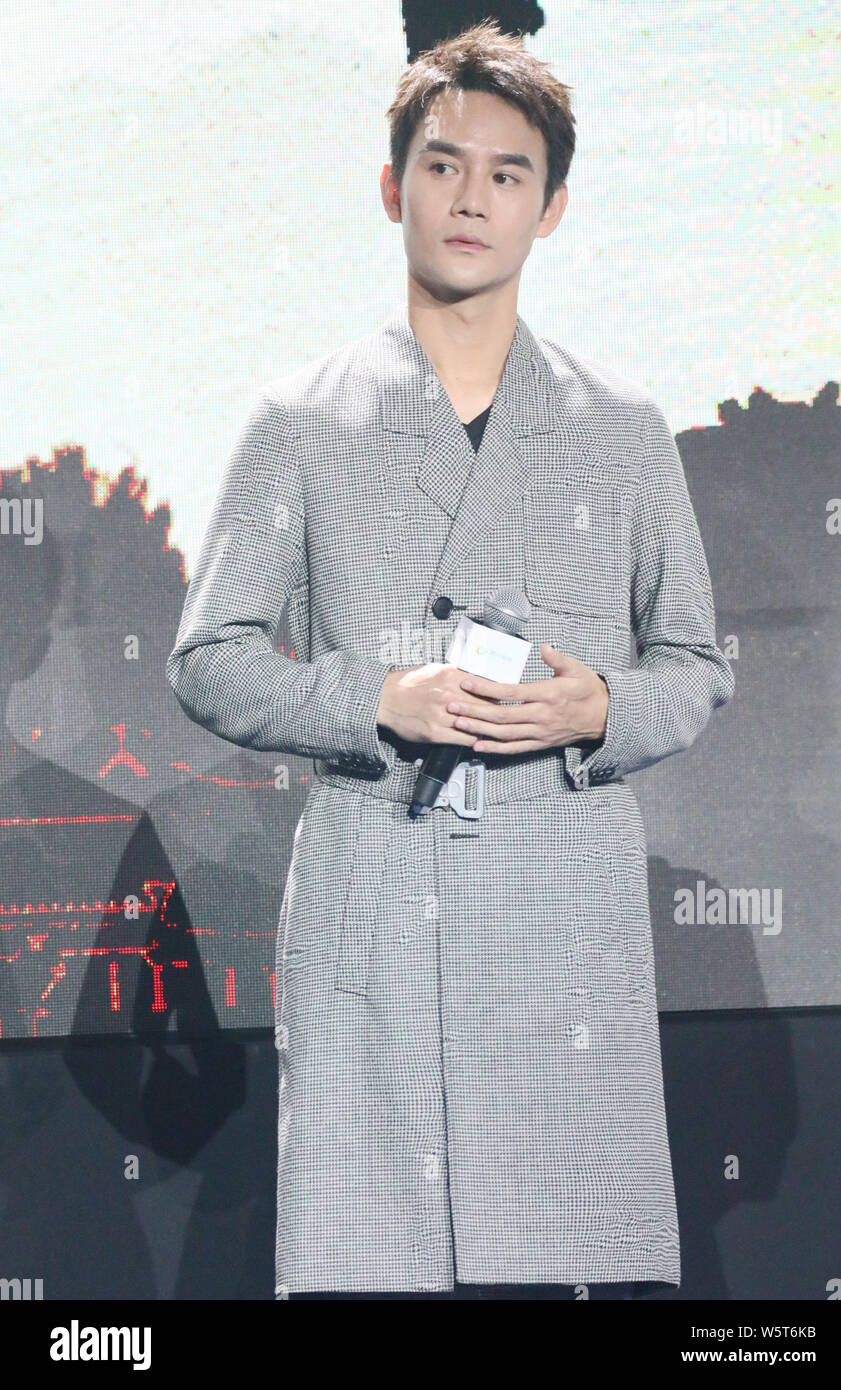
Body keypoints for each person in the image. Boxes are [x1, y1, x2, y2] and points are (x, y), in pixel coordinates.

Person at [166, 20, 734, 1299]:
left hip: (559, 921)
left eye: (506, 173)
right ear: (389, 188)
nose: (469, 197)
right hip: (381, 906)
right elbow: (209, 657)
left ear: (553, 206)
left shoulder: (623, 427)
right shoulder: (300, 419)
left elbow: (693, 662)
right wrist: (372, 698)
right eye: (440, 165)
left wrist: (600, 707)